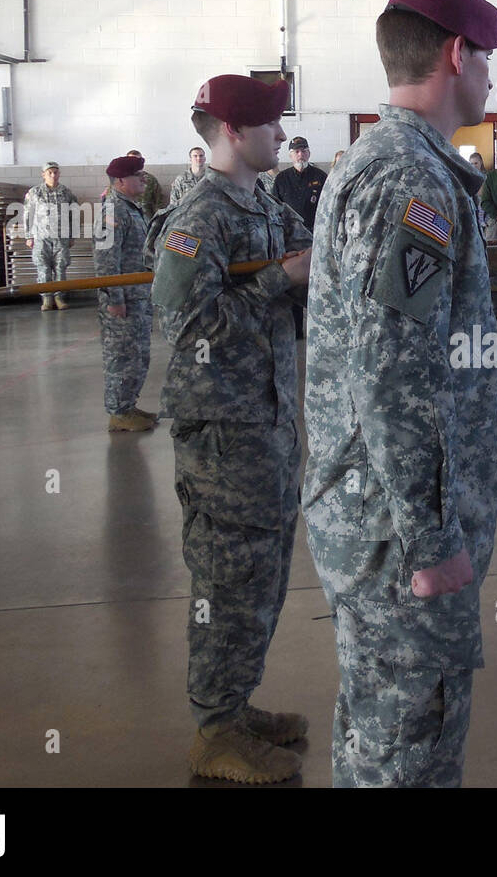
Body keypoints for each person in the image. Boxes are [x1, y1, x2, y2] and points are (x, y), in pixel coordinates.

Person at [304, 0, 497, 788]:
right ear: (457, 55)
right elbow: (394, 371)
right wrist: (432, 539)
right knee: (410, 741)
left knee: (377, 722)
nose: (490, 76)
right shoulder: (412, 182)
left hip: (369, 511)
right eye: (487, 58)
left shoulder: (380, 161)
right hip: (395, 533)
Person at [151, 74, 313, 784]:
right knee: (227, 578)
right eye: (272, 125)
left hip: (268, 420)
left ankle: (235, 704)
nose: (282, 136)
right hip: (222, 431)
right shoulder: (199, 217)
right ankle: (213, 730)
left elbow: (318, 253)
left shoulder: (267, 205)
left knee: (262, 579)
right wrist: (280, 281)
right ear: (234, 132)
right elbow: (186, 327)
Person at [94, 155, 156, 433]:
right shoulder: (112, 212)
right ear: (120, 181)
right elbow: (106, 260)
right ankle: (118, 412)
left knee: (137, 355)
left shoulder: (131, 208)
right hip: (124, 301)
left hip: (138, 297)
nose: (143, 178)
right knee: (122, 355)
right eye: (137, 174)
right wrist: (114, 300)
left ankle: (127, 405)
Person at [22, 161, 78, 311]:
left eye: (55, 172)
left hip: (61, 237)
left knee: (61, 268)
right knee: (43, 268)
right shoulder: (35, 192)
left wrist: (73, 235)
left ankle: (59, 298)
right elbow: (28, 214)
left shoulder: (66, 192)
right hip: (41, 237)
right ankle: (46, 299)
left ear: (59, 174)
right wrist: (28, 236)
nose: (53, 175)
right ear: (43, 174)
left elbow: (74, 214)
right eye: (49, 172)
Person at [273, 136, 328, 230]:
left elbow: (327, 204)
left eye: (304, 151)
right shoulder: (281, 178)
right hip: (289, 232)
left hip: (314, 229)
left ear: (309, 154)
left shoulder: (321, 176)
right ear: (290, 155)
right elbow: (275, 206)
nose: (300, 155)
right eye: (296, 152)